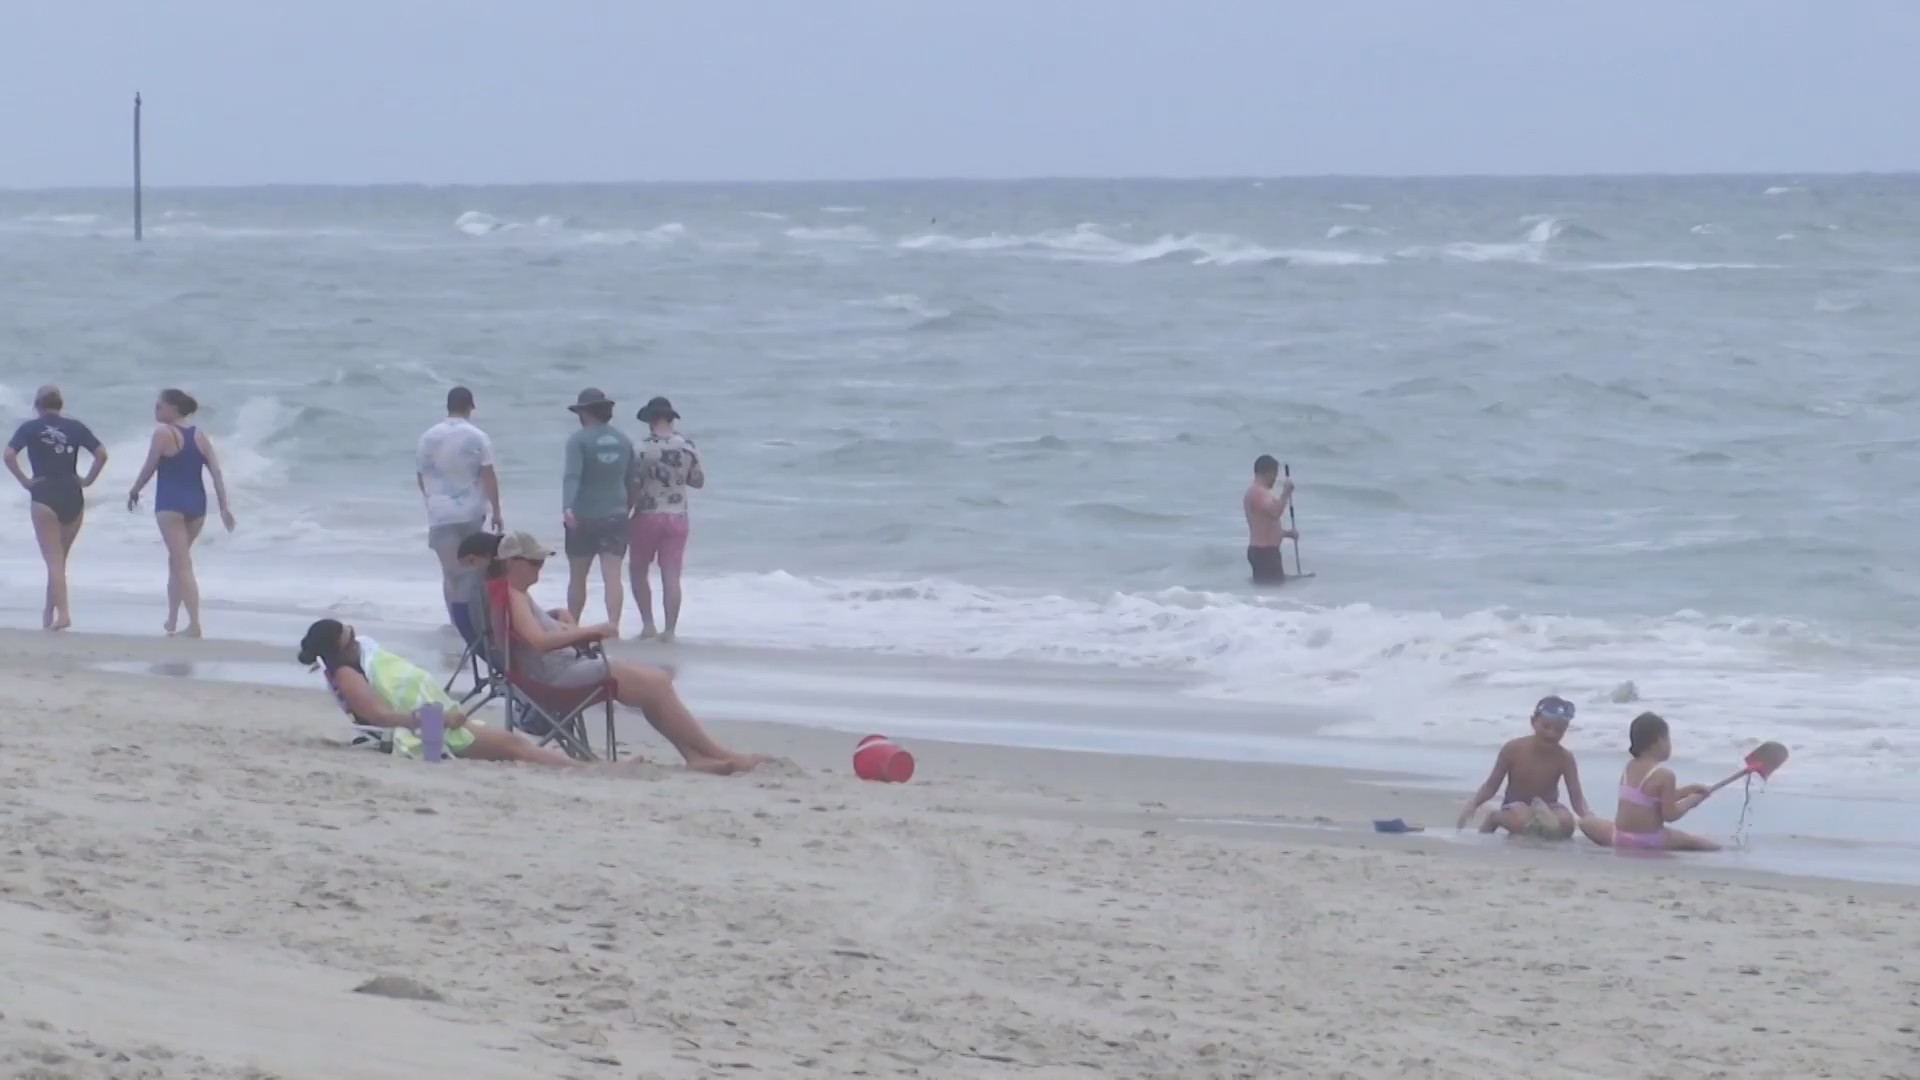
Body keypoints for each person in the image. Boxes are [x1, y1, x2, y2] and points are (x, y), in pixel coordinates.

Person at [494, 531, 762, 774]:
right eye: (534, 563)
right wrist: (591, 630)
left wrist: (555, 618)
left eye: (541, 562)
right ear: (511, 562)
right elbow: (537, 641)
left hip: (558, 670)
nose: (539, 568)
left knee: (656, 682)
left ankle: (696, 756)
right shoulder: (512, 594)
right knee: (655, 683)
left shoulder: (515, 593)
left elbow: (528, 631)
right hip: (554, 678)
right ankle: (716, 753)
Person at [297, 617, 592, 766]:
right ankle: (582, 769)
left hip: (430, 720)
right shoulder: (347, 674)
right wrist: (434, 719)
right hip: (424, 729)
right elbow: (380, 716)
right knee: (512, 744)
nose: (356, 639)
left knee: (509, 746)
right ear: (338, 649)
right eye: (349, 639)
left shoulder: (355, 660)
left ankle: (573, 766)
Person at [126, 388, 237, 638]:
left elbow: (150, 466)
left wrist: (135, 490)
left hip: (171, 505)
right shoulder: (199, 435)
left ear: (173, 408)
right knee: (177, 560)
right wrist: (223, 507)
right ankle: (173, 618)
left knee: (182, 564)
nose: (156, 410)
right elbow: (216, 472)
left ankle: (194, 624)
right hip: (197, 506)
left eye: (159, 406)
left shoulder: (163, 433)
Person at [5, 385, 108, 630]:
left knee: (54, 562)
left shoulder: (30, 428)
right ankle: (49, 612)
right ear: (60, 404)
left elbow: (8, 455)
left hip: (45, 494)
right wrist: (88, 480)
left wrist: (25, 481)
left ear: (37, 405)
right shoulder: (76, 427)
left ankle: (63, 615)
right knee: (60, 561)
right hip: (73, 494)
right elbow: (102, 454)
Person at [1455, 695, 1596, 840]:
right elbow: (1492, 785)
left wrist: (1588, 815)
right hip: (1516, 804)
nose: (1551, 733)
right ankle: (1495, 817)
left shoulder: (1565, 758)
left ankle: (1545, 824)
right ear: (1533, 722)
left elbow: (1576, 797)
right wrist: (1473, 804)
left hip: (1549, 805)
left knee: (1567, 823)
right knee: (1523, 823)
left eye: (1559, 730)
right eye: (1546, 726)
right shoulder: (1513, 749)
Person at [417, 386, 502, 621]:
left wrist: (432, 501)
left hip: (440, 514)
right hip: (471, 513)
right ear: (470, 407)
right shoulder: (478, 436)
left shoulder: (427, 438)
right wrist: (496, 511)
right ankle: (475, 620)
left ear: (448, 406)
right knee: (474, 572)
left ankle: (456, 622)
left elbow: (421, 477)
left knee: (451, 574)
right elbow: (488, 476)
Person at [1581, 712, 1722, 853]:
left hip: (1619, 837)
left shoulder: (1629, 767)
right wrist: (1691, 801)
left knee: (1586, 822)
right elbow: (1670, 815)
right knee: (1695, 841)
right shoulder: (1665, 775)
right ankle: (1719, 849)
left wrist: (1688, 790)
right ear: (1660, 742)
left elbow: (1652, 799)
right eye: (1668, 739)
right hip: (1650, 840)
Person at [629, 396, 703, 641]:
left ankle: (648, 625)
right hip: (677, 516)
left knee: (638, 570)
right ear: (671, 419)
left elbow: (634, 484)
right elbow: (698, 481)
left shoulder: (640, 449)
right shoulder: (688, 447)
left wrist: (626, 510)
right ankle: (670, 630)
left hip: (647, 515)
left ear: (650, 420)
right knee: (671, 574)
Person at [561, 388, 635, 632]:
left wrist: (567, 506)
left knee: (577, 576)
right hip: (616, 514)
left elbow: (572, 476)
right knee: (612, 576)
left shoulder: (578, 440)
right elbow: (633, 479)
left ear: (584, 412)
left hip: (583, 516)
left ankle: (573, 626)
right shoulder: (623, 440)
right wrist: (627, 506)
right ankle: (613, 626)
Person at [1242, 455, 1298, 585]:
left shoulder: (1258, 492)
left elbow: (1265, 526)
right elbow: (1275, 512)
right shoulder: (1257, 492)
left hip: (1265, 551)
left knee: (1274, 588)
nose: (1275, 479)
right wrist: (1285, 494)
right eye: (1275, 474)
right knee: (1272, 589)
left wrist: (1287, 534)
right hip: (1264, 552)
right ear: (1269, 472)